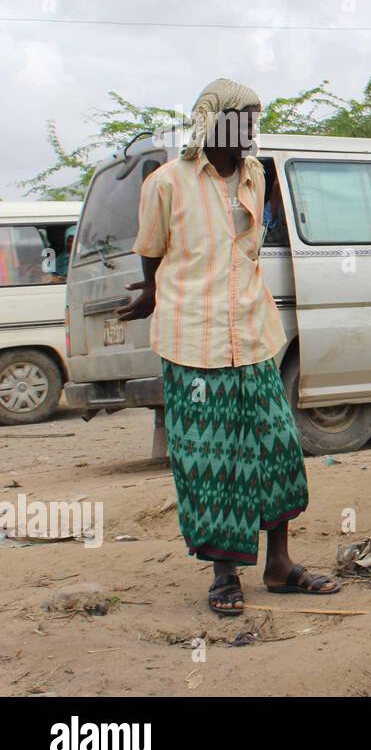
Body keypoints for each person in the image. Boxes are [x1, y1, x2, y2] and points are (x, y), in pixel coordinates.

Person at [117, 78, 339, 617]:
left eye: (256, 122)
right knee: (212, 461)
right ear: (212, 122)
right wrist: (149, 291)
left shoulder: (257, 176)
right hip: (193, 341)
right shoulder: (167, 182)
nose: (251, 132)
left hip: (254, 334)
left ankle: (280, 565)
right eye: (244, 120)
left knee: (277, 450)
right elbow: (151, 249)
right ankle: (225, 577)